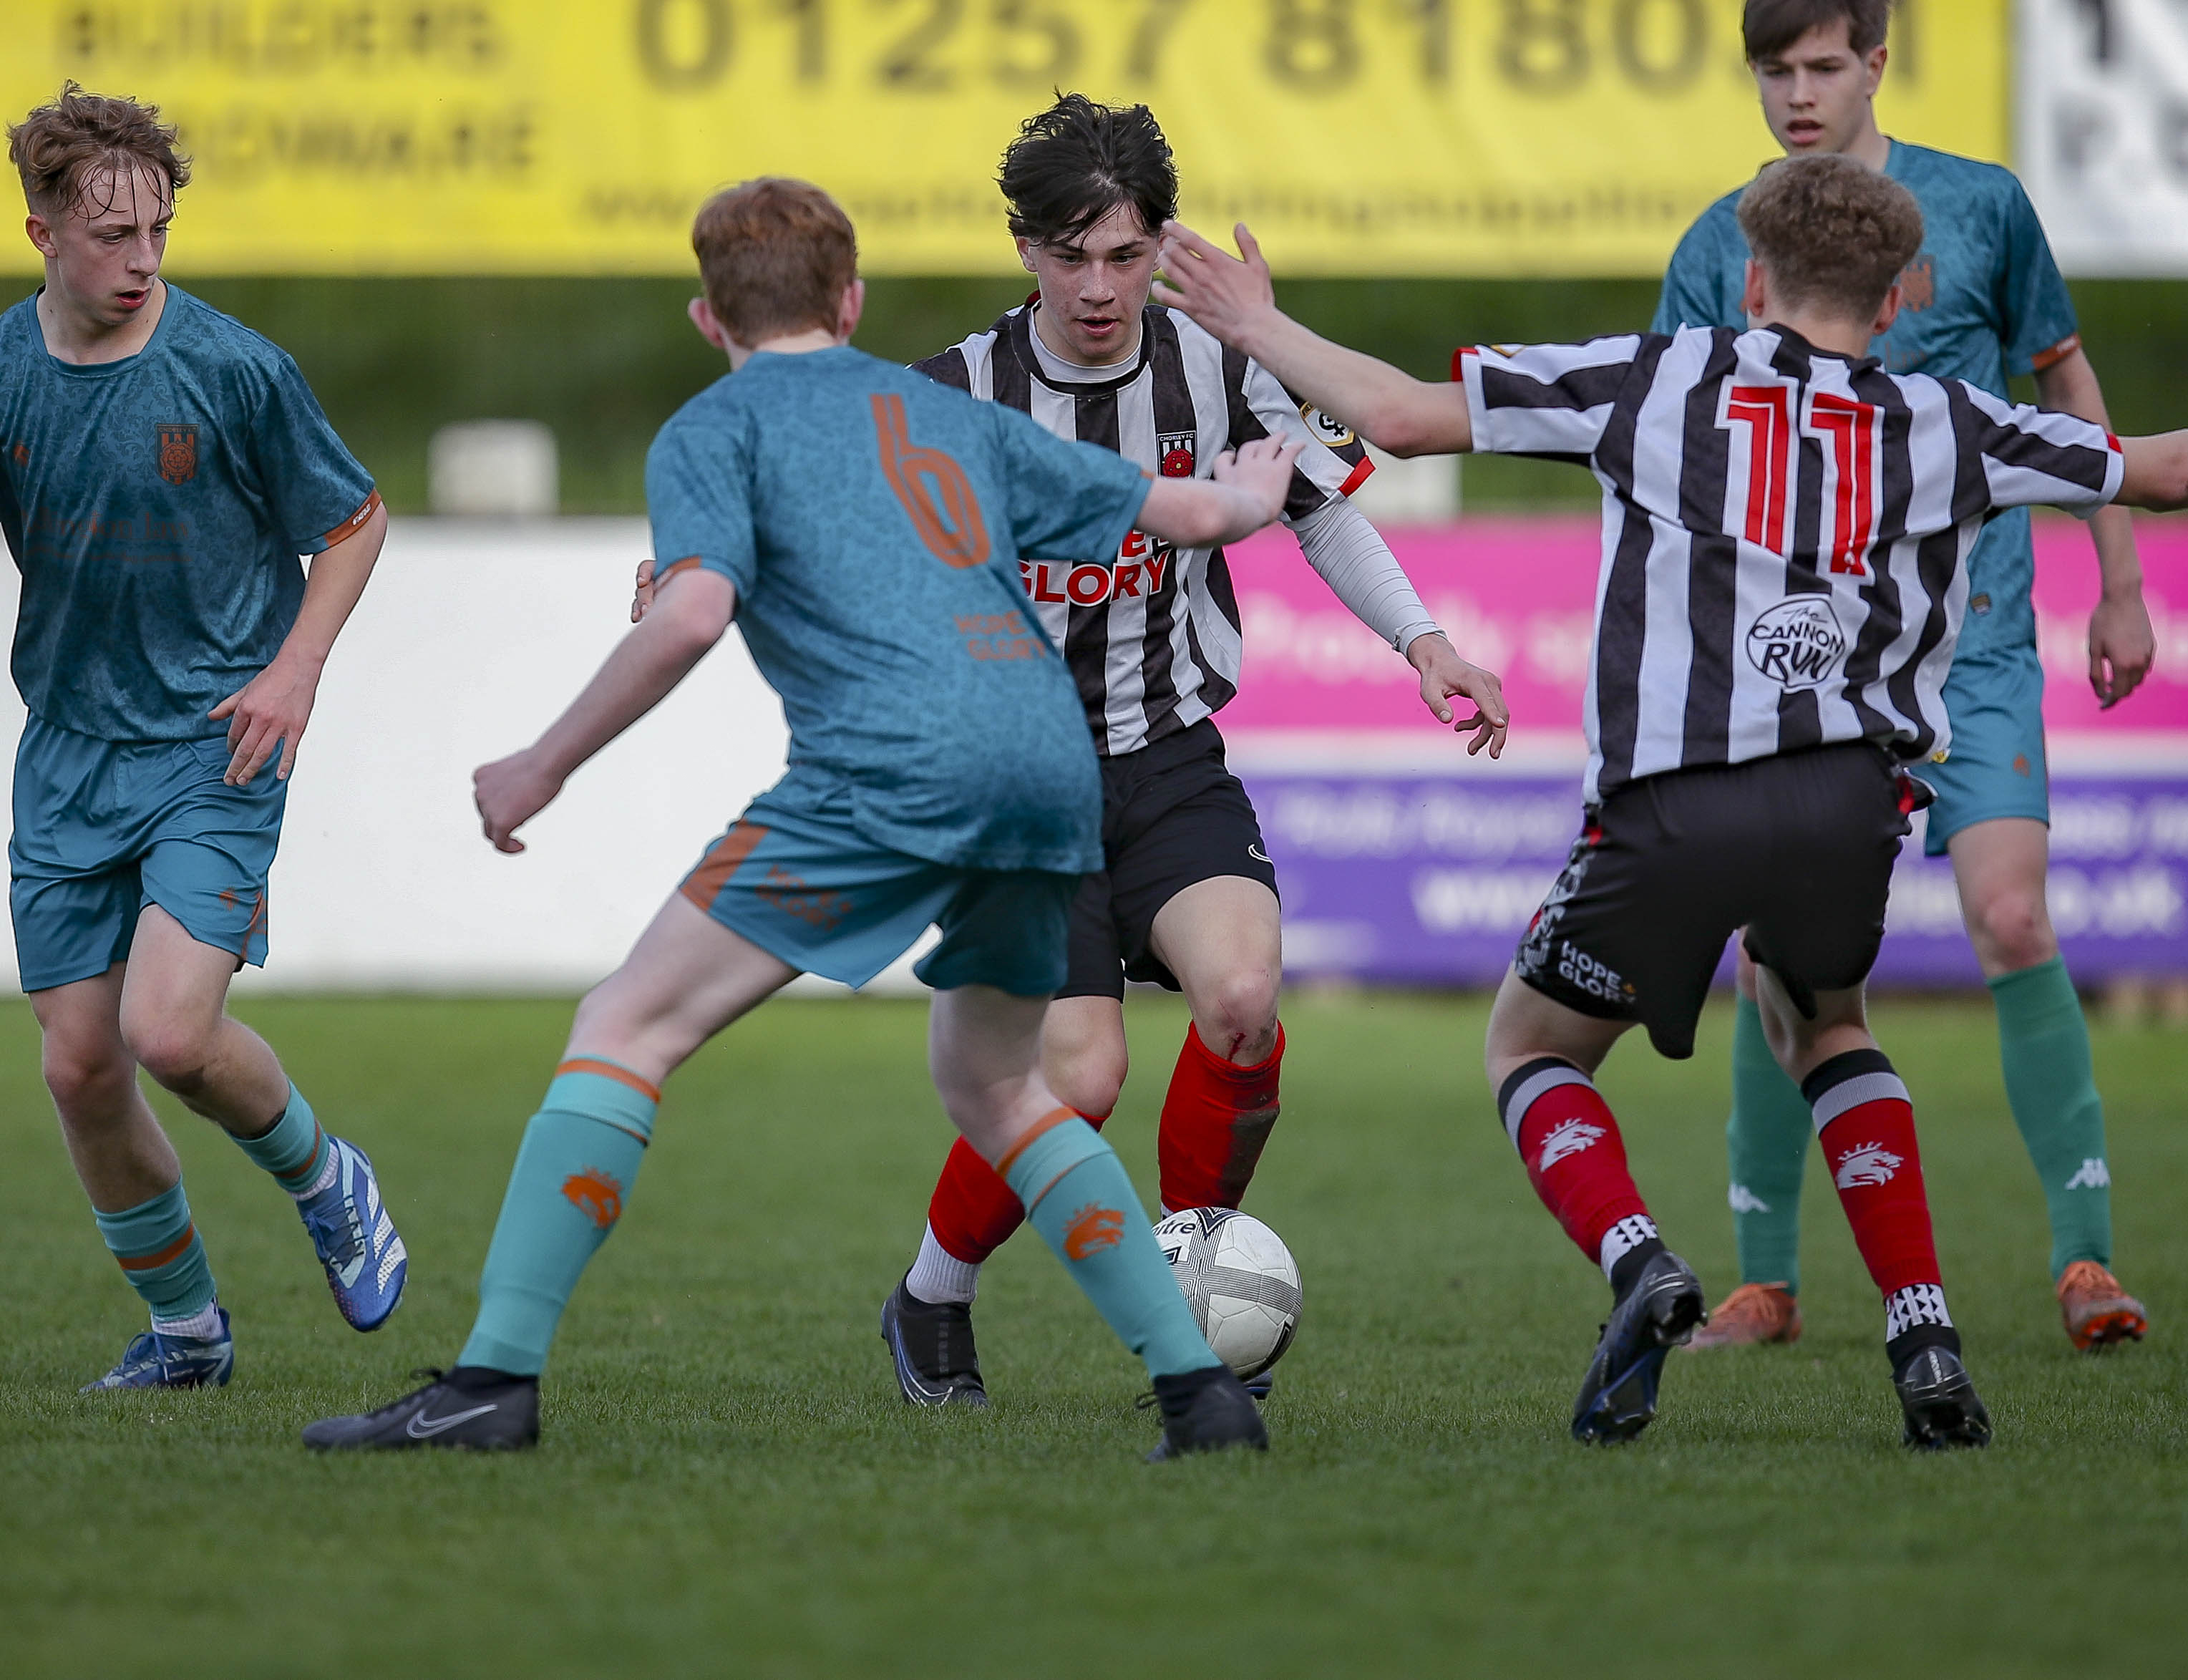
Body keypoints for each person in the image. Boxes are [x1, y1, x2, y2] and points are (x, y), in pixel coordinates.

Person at [1152, 154, 2188, 1447]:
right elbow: (2169, 469)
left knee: (1529, 1049)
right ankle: (1923, 1329)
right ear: (1893, 304)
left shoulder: (1657, 381)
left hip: (1672, 810)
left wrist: (1257, 324)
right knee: (1827, 1030)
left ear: (1752, 282)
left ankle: (1641, 1257)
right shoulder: (1949, 418)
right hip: (1848, 807)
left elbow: (1405, 414)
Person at [304, 177, 1305, 1458]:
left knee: (624, 1024)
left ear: (706, 320)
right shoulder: (937, 408)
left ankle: (495, 1382)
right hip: (1048, 764)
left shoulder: (713, 430)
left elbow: (688, 615)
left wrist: (541, 763)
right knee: (1005, 1088)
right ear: (852, 302)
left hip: (894, 769)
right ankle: (1199, 1392)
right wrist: (1260, 487)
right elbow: (1188, 513)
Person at [876, 94, 1507, 1407]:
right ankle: (931, 1297)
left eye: (1124, 253)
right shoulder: (957, 390)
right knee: (1081, 1078)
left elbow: (1324, 516)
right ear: (1024, 251)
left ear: (1161, 246)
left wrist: (1426, 643)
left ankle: (1190, 1289)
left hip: (1167, 756)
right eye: (1068, 253)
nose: (1097, 286)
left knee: (1238, 1000)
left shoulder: (1220, 367)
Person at [1655, 0, 2158, 1354]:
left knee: (2012, 918)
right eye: (1777, 70)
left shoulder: (1981, 207)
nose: (1800, 93)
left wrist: (2117, 577)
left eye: (1826, 65)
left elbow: (2066, 387)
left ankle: (2087, 1262)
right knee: (1789, 966)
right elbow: (1679, 433)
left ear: (1879, 63)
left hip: (1977, 639)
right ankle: (1766, 1280)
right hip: (1808, 665)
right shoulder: (1719, 242)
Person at [1, 84, 402, 1391]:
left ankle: (324, 1174)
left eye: (160, 230)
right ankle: (187, 1333)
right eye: (113, 236)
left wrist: (294, 672)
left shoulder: (232, 368)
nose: (144, 261)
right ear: (43, 230)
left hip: (214, 739)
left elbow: (352, 523)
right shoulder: (7, 368)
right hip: (68, 748)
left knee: (170, 1036)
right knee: (78, 1070)